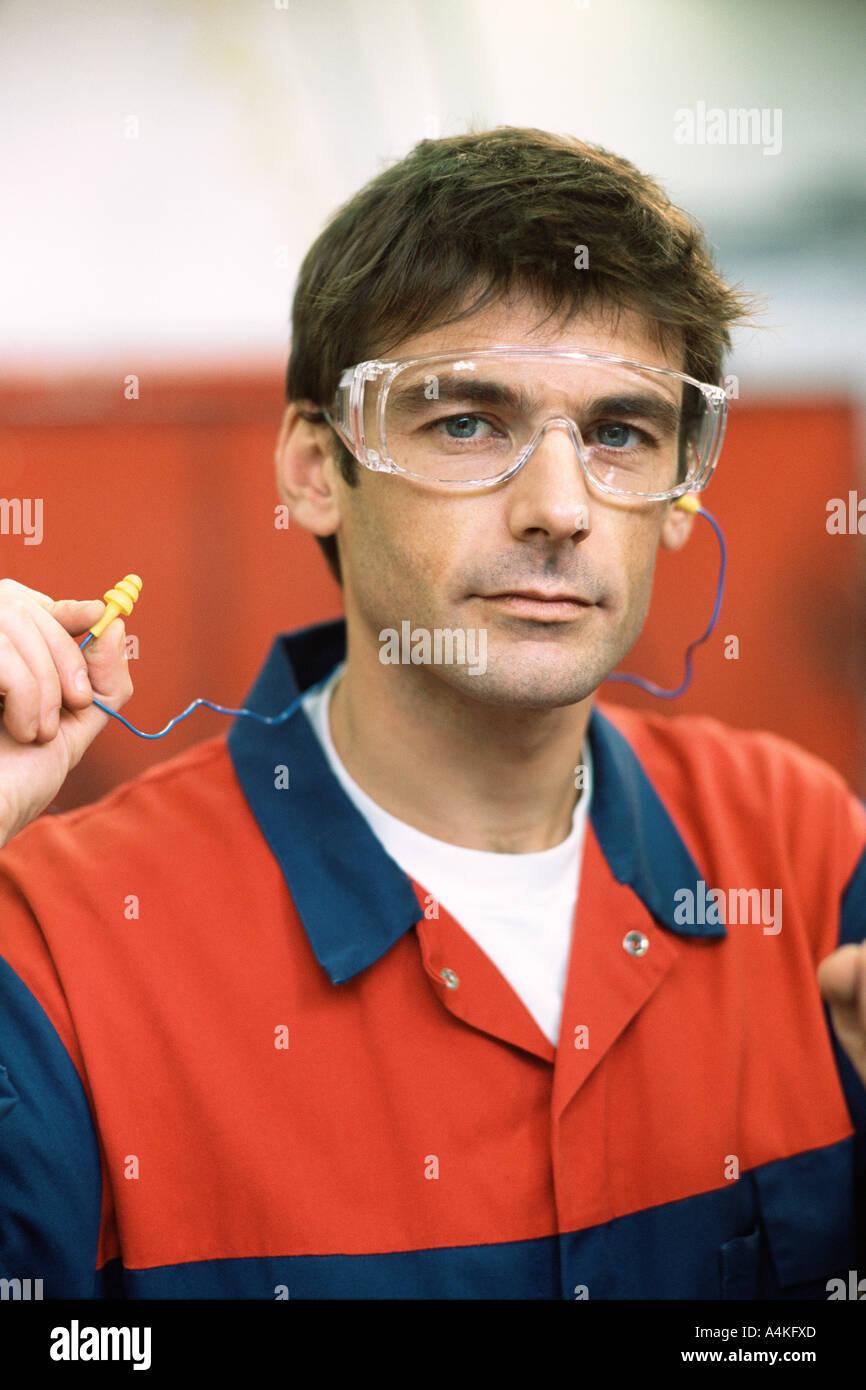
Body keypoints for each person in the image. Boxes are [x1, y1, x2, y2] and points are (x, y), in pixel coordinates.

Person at [1, 126, 864, 1301]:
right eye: (467, 422)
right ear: (315, 470)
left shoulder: (798, 846)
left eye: (619, 432)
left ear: (676, 495)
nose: (559, 508)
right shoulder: (62, 940)